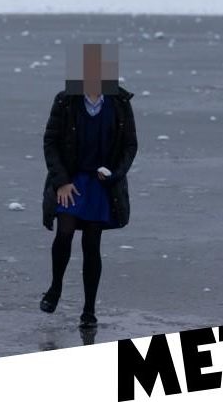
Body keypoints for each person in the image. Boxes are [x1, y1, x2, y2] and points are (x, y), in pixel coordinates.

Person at [40, 43, 138, 329]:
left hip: (100, 183)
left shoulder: (119, 103)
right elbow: (50, 142)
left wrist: (115, 174)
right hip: (70, 181)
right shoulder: (65, 101)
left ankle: (88, 309)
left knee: (91, 243)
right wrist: (61, 182)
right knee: (65, 231)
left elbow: (130, 145)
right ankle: (56, 287)